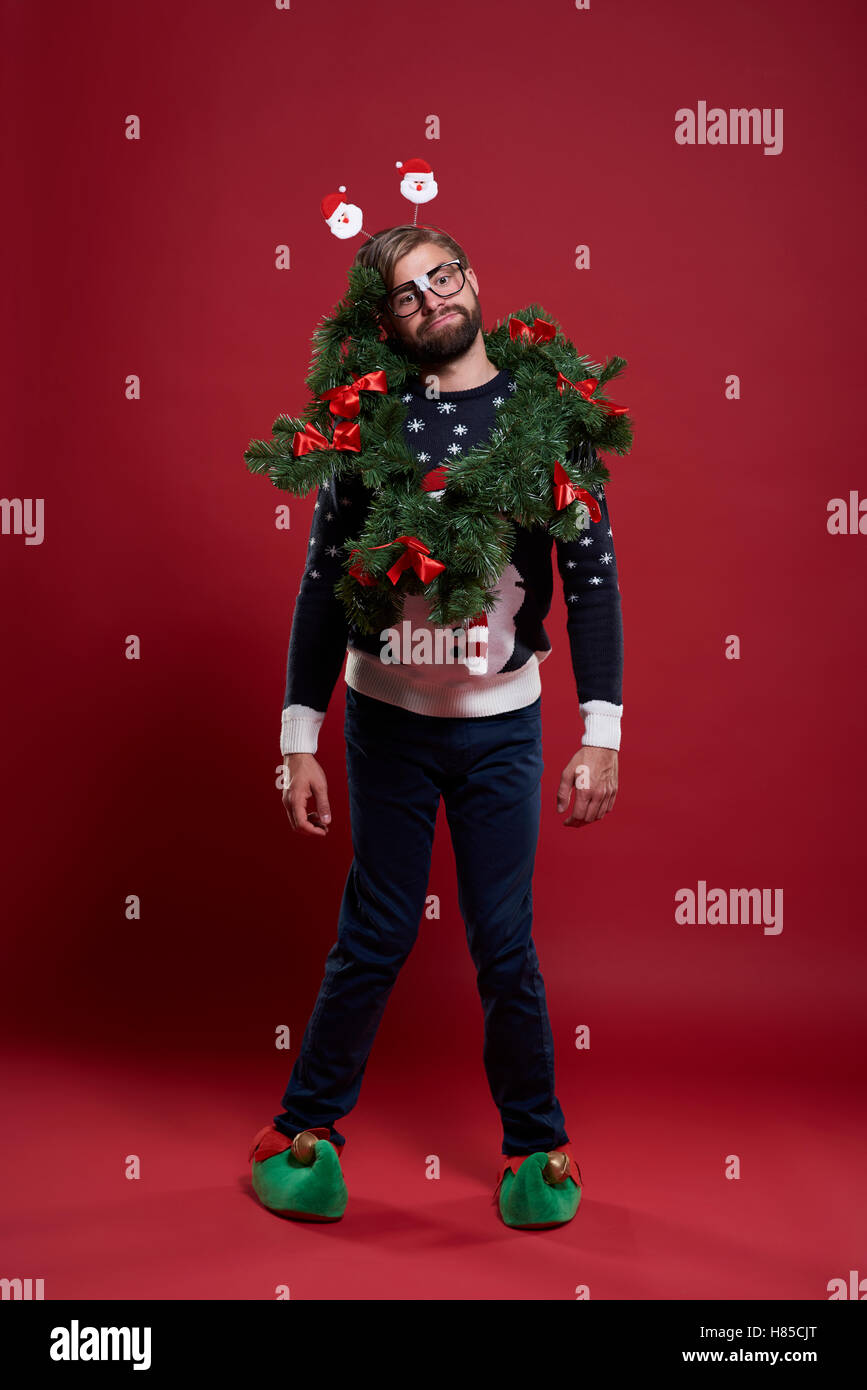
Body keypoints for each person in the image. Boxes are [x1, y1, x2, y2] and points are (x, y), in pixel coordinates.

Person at [248, 225, 624, 1229]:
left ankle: (536, 1145)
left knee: (505, 944)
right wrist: (299, 737)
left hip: (503, 724)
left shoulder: (550, 420)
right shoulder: (366, 426)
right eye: (405, 296)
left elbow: (590, 584)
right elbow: (325, 586)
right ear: (387, 321)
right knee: (375, 933)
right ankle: (307, 1128)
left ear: (473, 279)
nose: (429, 302)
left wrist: (603, 729)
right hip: (388, 722)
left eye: (440, 278)